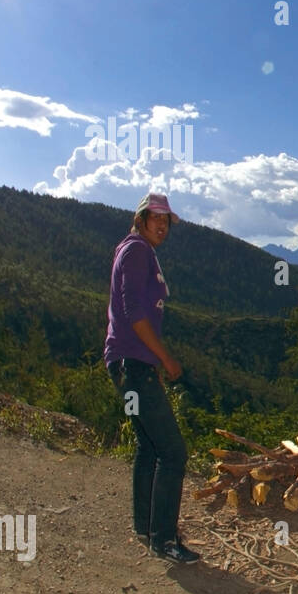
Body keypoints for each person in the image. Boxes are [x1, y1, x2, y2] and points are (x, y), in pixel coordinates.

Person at [104, 192, 199, 564]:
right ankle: (164, 540)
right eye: (155, 218)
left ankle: (145, 527)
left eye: (167, 220)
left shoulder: (132, 250)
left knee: (148, 446)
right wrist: (166, 359)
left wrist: (147, 365)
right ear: (141, 218)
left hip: (130, 365)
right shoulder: (137, 252)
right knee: (173, 452)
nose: (162, 225)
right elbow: (133, 312)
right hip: (134, 366)